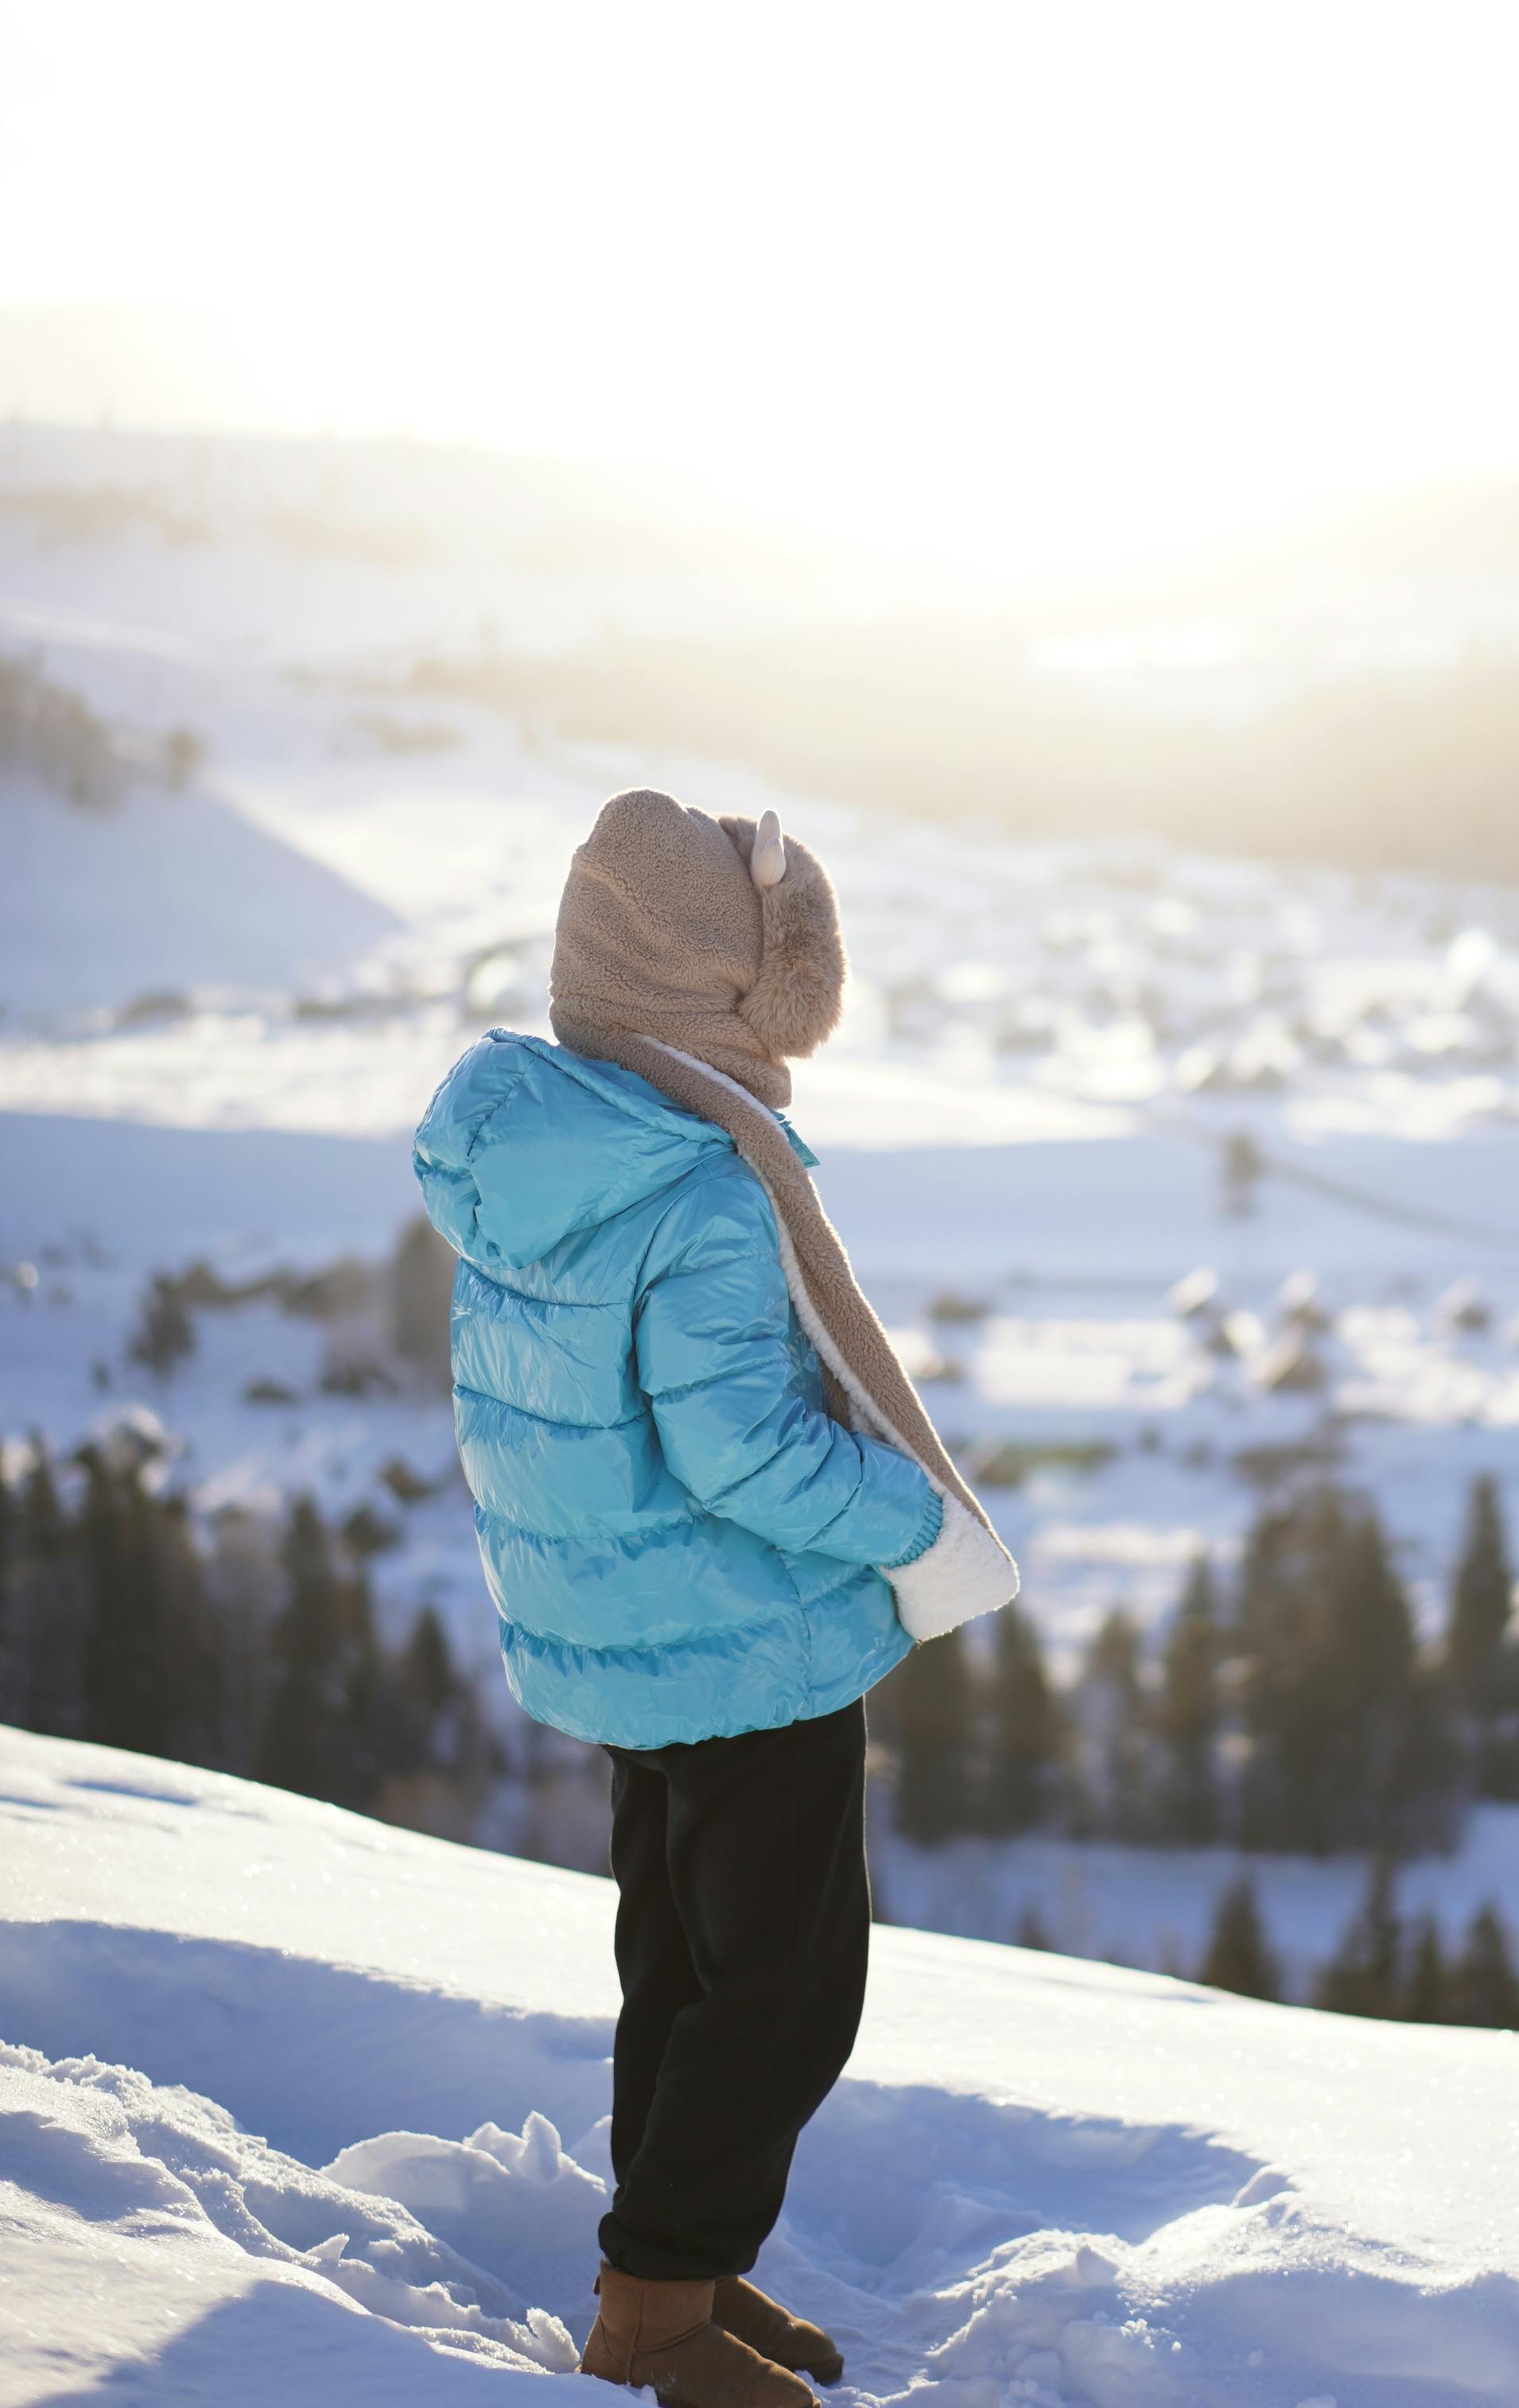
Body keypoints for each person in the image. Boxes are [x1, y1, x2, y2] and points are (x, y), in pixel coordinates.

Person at [415, 791, 1016, 2404]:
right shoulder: (701, 1189)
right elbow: (743, 1450)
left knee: (678, 1977)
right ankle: (655, 2319)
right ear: (723, 990)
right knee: (783, 1996)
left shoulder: (540, 1156)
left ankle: (671, 2270)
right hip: (755, 1657)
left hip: (628, 1651)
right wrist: (914, 1524)